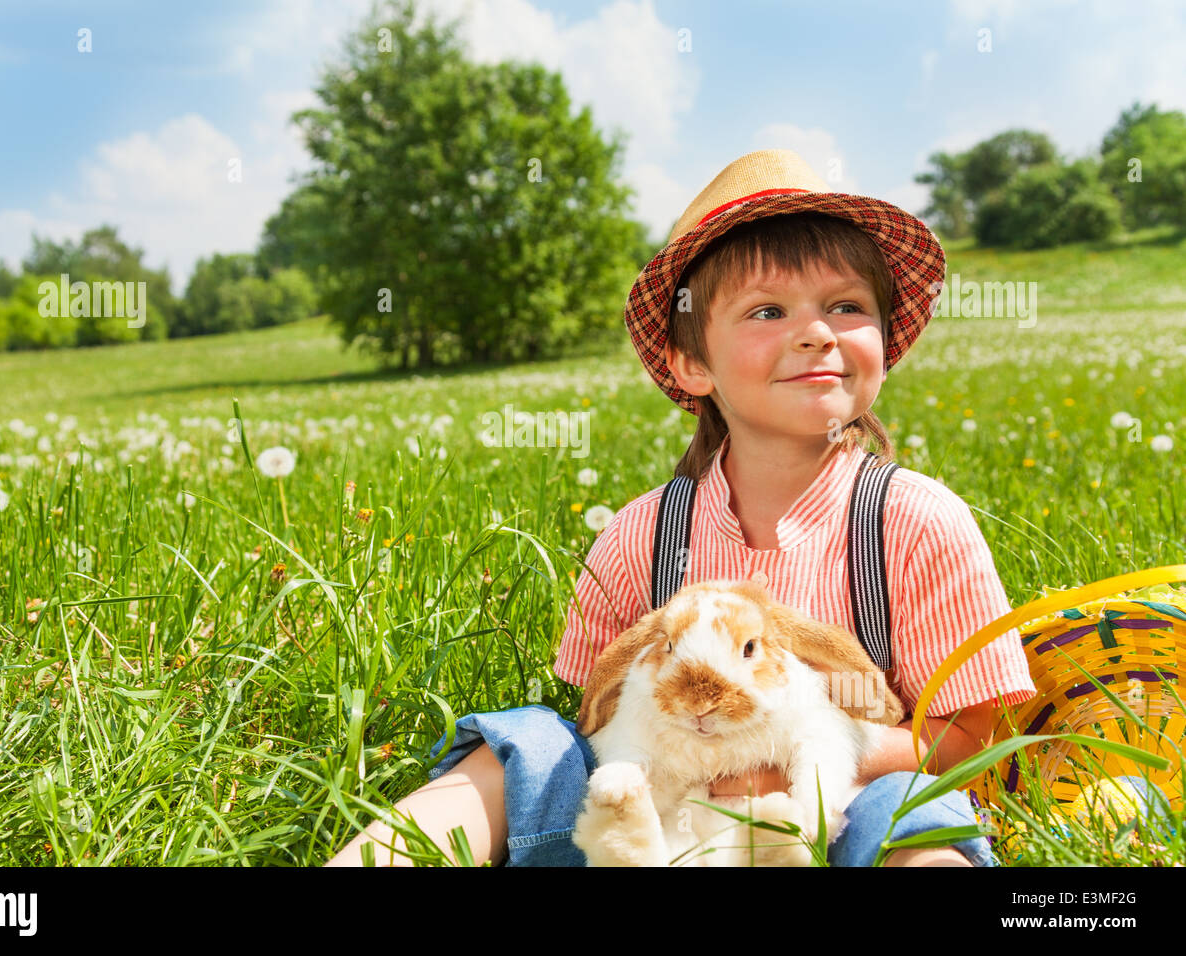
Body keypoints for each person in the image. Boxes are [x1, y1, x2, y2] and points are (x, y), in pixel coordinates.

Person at [327, 148, 1044, 868]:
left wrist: (781, 760)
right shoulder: (642, 535)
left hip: (831, 822)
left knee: (912, 810)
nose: (816, 331)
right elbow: (596, 710)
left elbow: (972, 744)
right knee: (529, 744)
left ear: (883, 341)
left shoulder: (916, 523)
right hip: (655, 834)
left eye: (846, 306)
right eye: (769, 310)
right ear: (692, 363)